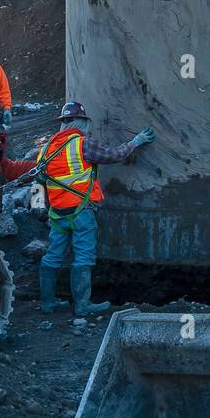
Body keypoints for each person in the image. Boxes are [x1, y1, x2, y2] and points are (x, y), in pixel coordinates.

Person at [36, 101, 155, 317]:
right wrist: (135, 142)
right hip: (81, 211)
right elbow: (114, 155)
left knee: (52, 257)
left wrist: (39, 208)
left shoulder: (45, 150)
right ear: (81, 122)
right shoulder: (83, 144)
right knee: (83, 258)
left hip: (57, 214)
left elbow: (38, 180)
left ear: (63, 123)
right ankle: (82, 306)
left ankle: (48, 303)